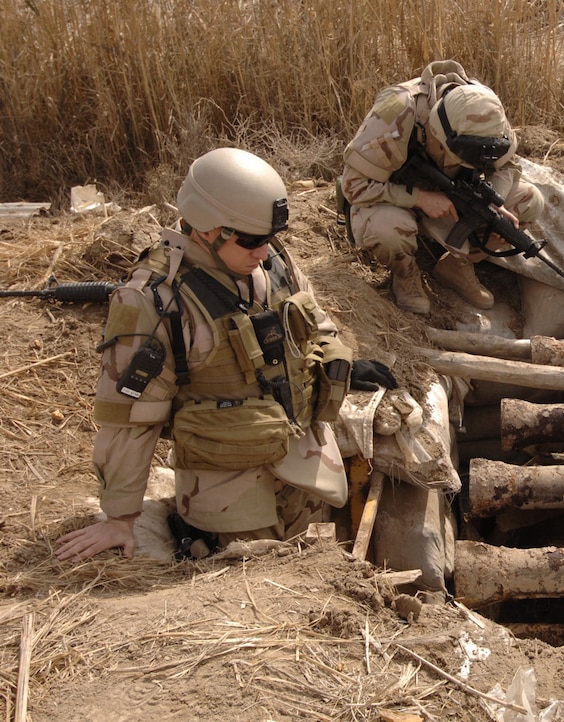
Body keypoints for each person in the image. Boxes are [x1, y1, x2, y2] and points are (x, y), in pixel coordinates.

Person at [56, 147, 397, 562]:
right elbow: (130, 421)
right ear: (205, 226)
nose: (262, 250)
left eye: (269, 238)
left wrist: (335, 362)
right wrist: (120, 518)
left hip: (305, 466)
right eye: (251, 239)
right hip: (230, 488)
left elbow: (312, 320)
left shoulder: (270, 261)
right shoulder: (157, 302)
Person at [340, 59, 546, 315]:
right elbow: (353, 186)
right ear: (437, 131)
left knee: (530, 201)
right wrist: (419, 198)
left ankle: (458, 265)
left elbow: (509, 167)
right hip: (395, 195)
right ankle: (406, 274)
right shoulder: (397, 112)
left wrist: (494, 200)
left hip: (454, 194)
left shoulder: (487, 114)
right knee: (388, 230)